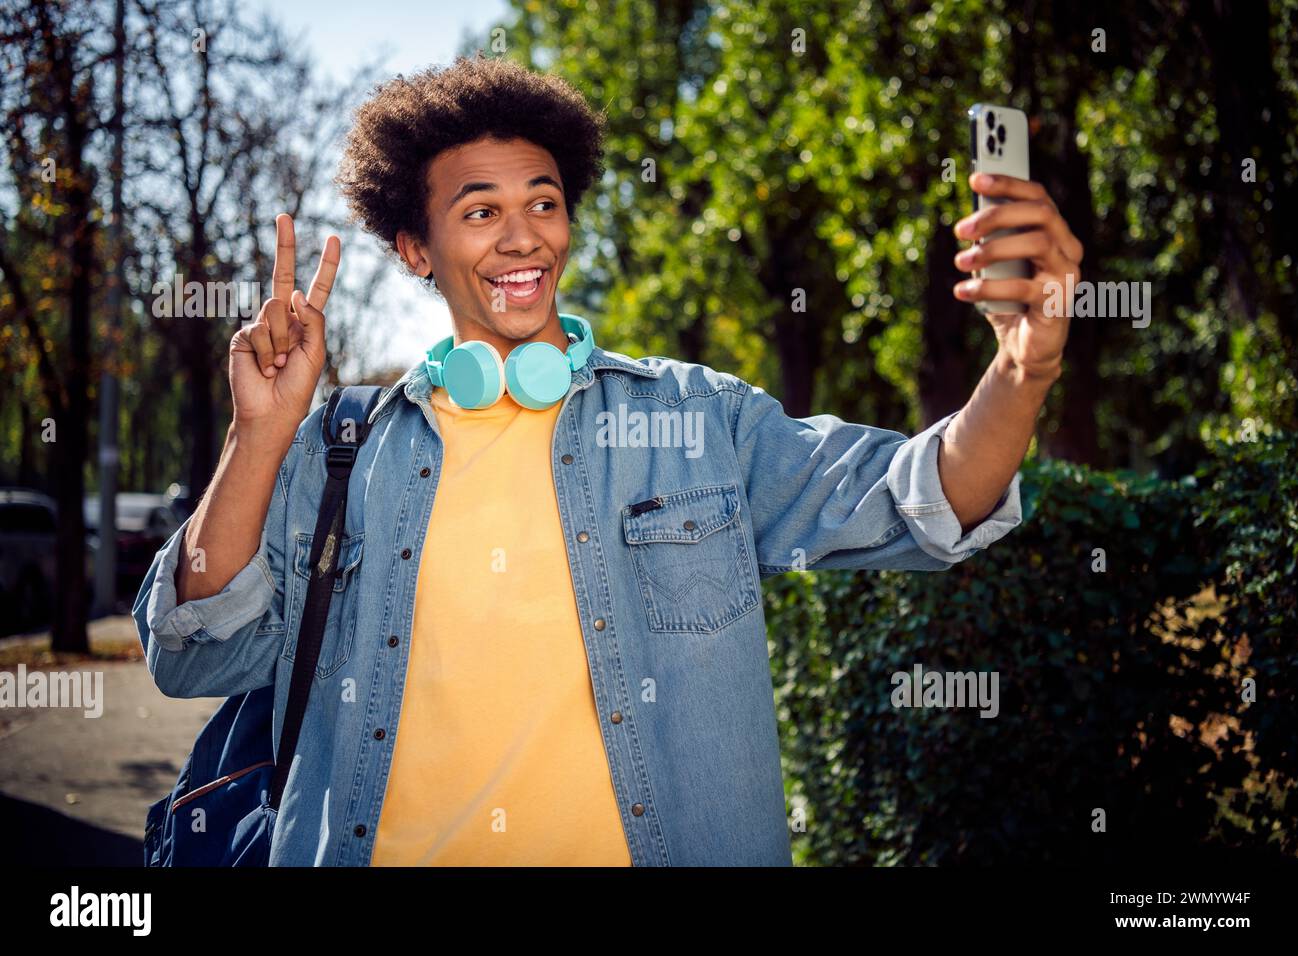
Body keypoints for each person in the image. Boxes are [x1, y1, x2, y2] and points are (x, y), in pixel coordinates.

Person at [135, 55, 1082, 866]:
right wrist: (258, 436)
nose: (522, 235)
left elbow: (921, 502)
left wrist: (1021, 366)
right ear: (415, 248)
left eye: (543, 202)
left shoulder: (695, 420)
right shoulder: (340, 450)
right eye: (480, 211)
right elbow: (193, 652)